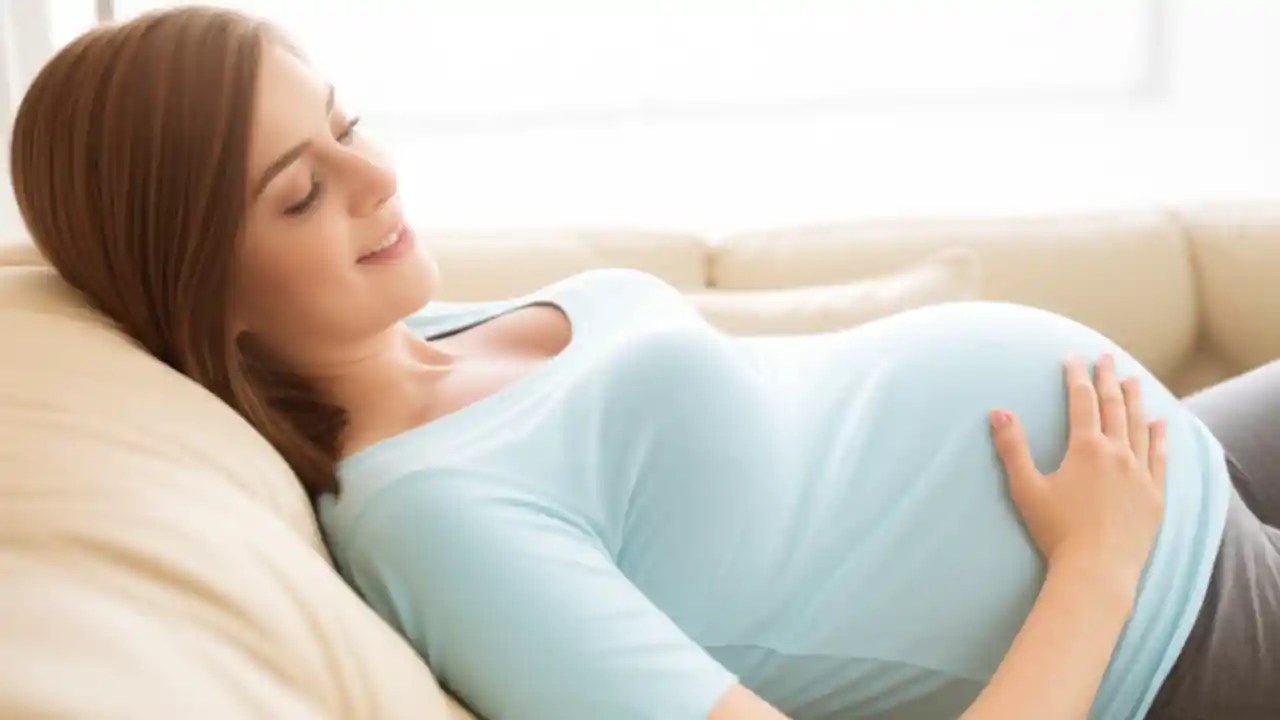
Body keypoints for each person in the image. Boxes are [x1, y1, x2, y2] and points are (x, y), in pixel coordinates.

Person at [7, 7, 1276, 719]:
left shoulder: (423, 336)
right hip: (1171, 632)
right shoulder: (436, 524)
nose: (378, 179)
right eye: (301, 193)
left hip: (1159, 473)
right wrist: (1100, 565)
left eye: (347, 129)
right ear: (198, 287)